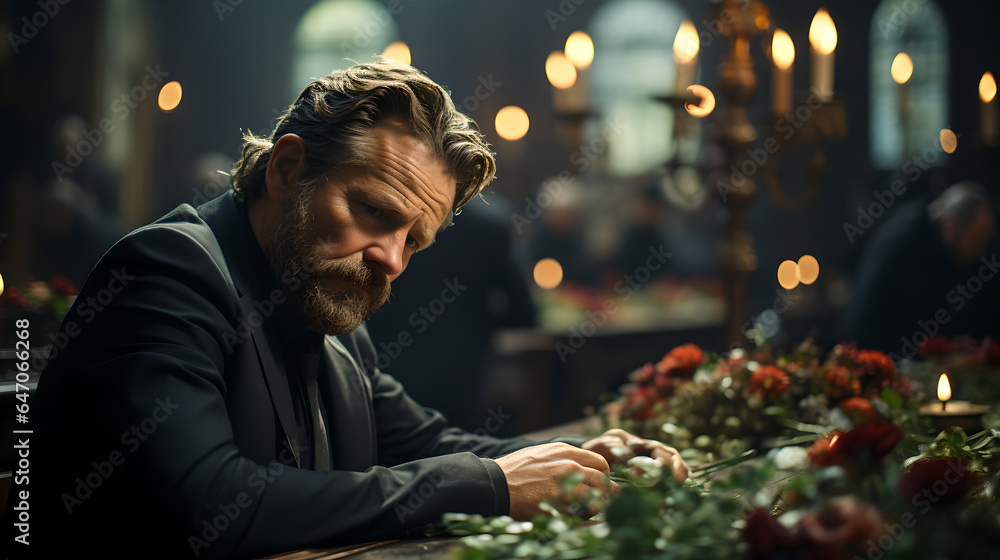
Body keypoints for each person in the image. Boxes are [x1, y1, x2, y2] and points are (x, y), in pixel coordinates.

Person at [15, 60, 687, 559]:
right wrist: (482, 486)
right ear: (287, 169)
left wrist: (581, 463)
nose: (391, 259)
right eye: (372, 212)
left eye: (413, 240)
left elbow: (434, 447)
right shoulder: (164, 274)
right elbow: (210, 502)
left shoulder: (327, 313)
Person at [842, 181, 996, 356]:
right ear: (951, 224)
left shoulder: (943, 246)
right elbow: (867, 320)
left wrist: (949, 345)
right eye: (976, 242)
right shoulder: (901, 242)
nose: (980, 252)